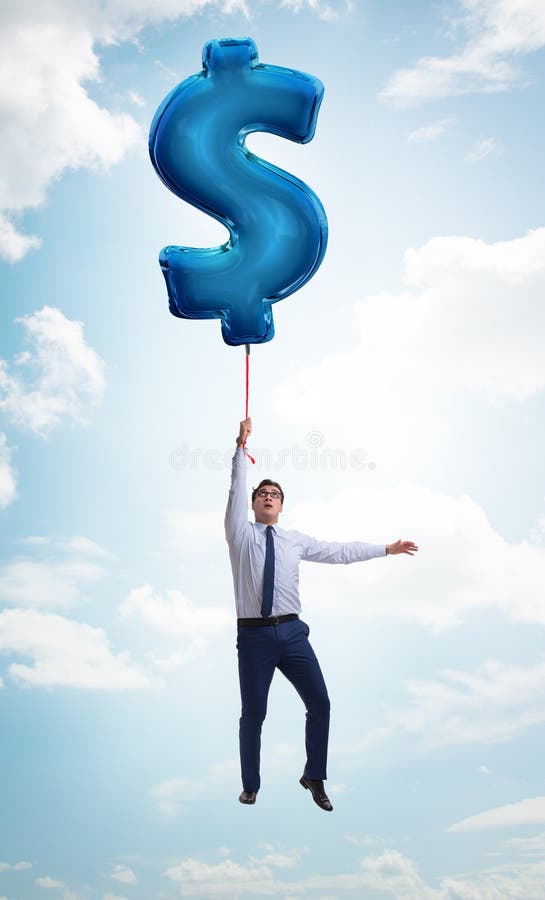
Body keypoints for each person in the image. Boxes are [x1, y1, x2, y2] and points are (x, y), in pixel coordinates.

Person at [225, 417, 418, 811]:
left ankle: (314, 775)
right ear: (253, 503)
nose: (268, 496)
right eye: (262, 492)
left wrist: (386, 549)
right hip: (255, 637)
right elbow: (235, 487)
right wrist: (240, 447)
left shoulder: (296, 541)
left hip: (293, 634)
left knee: (321, 703)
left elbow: (340, 552)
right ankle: (251, 785)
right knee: (254, 714)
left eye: (275, 493)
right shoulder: (239, 534)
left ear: (281, 505)